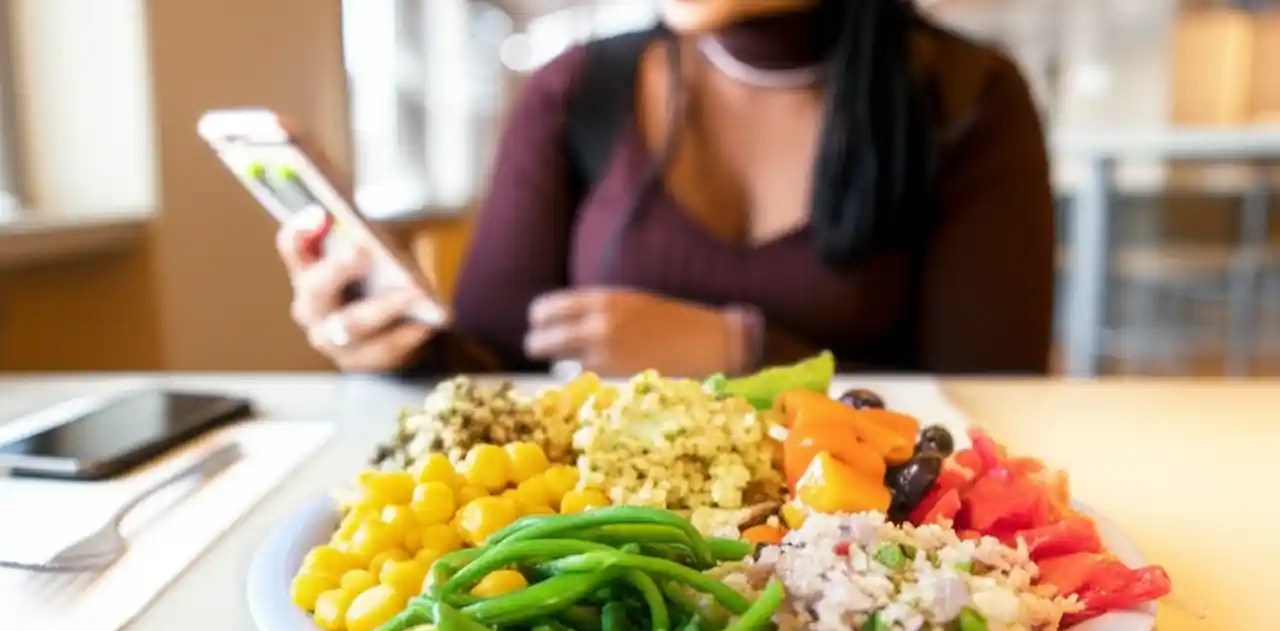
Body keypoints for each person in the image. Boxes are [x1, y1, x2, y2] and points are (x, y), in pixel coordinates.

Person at [278, 0, 1056, 377]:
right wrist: (393, 342)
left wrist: (741, 352)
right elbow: (497, 369)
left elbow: (994, 405)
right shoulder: (577, 90)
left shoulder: (969, 98)